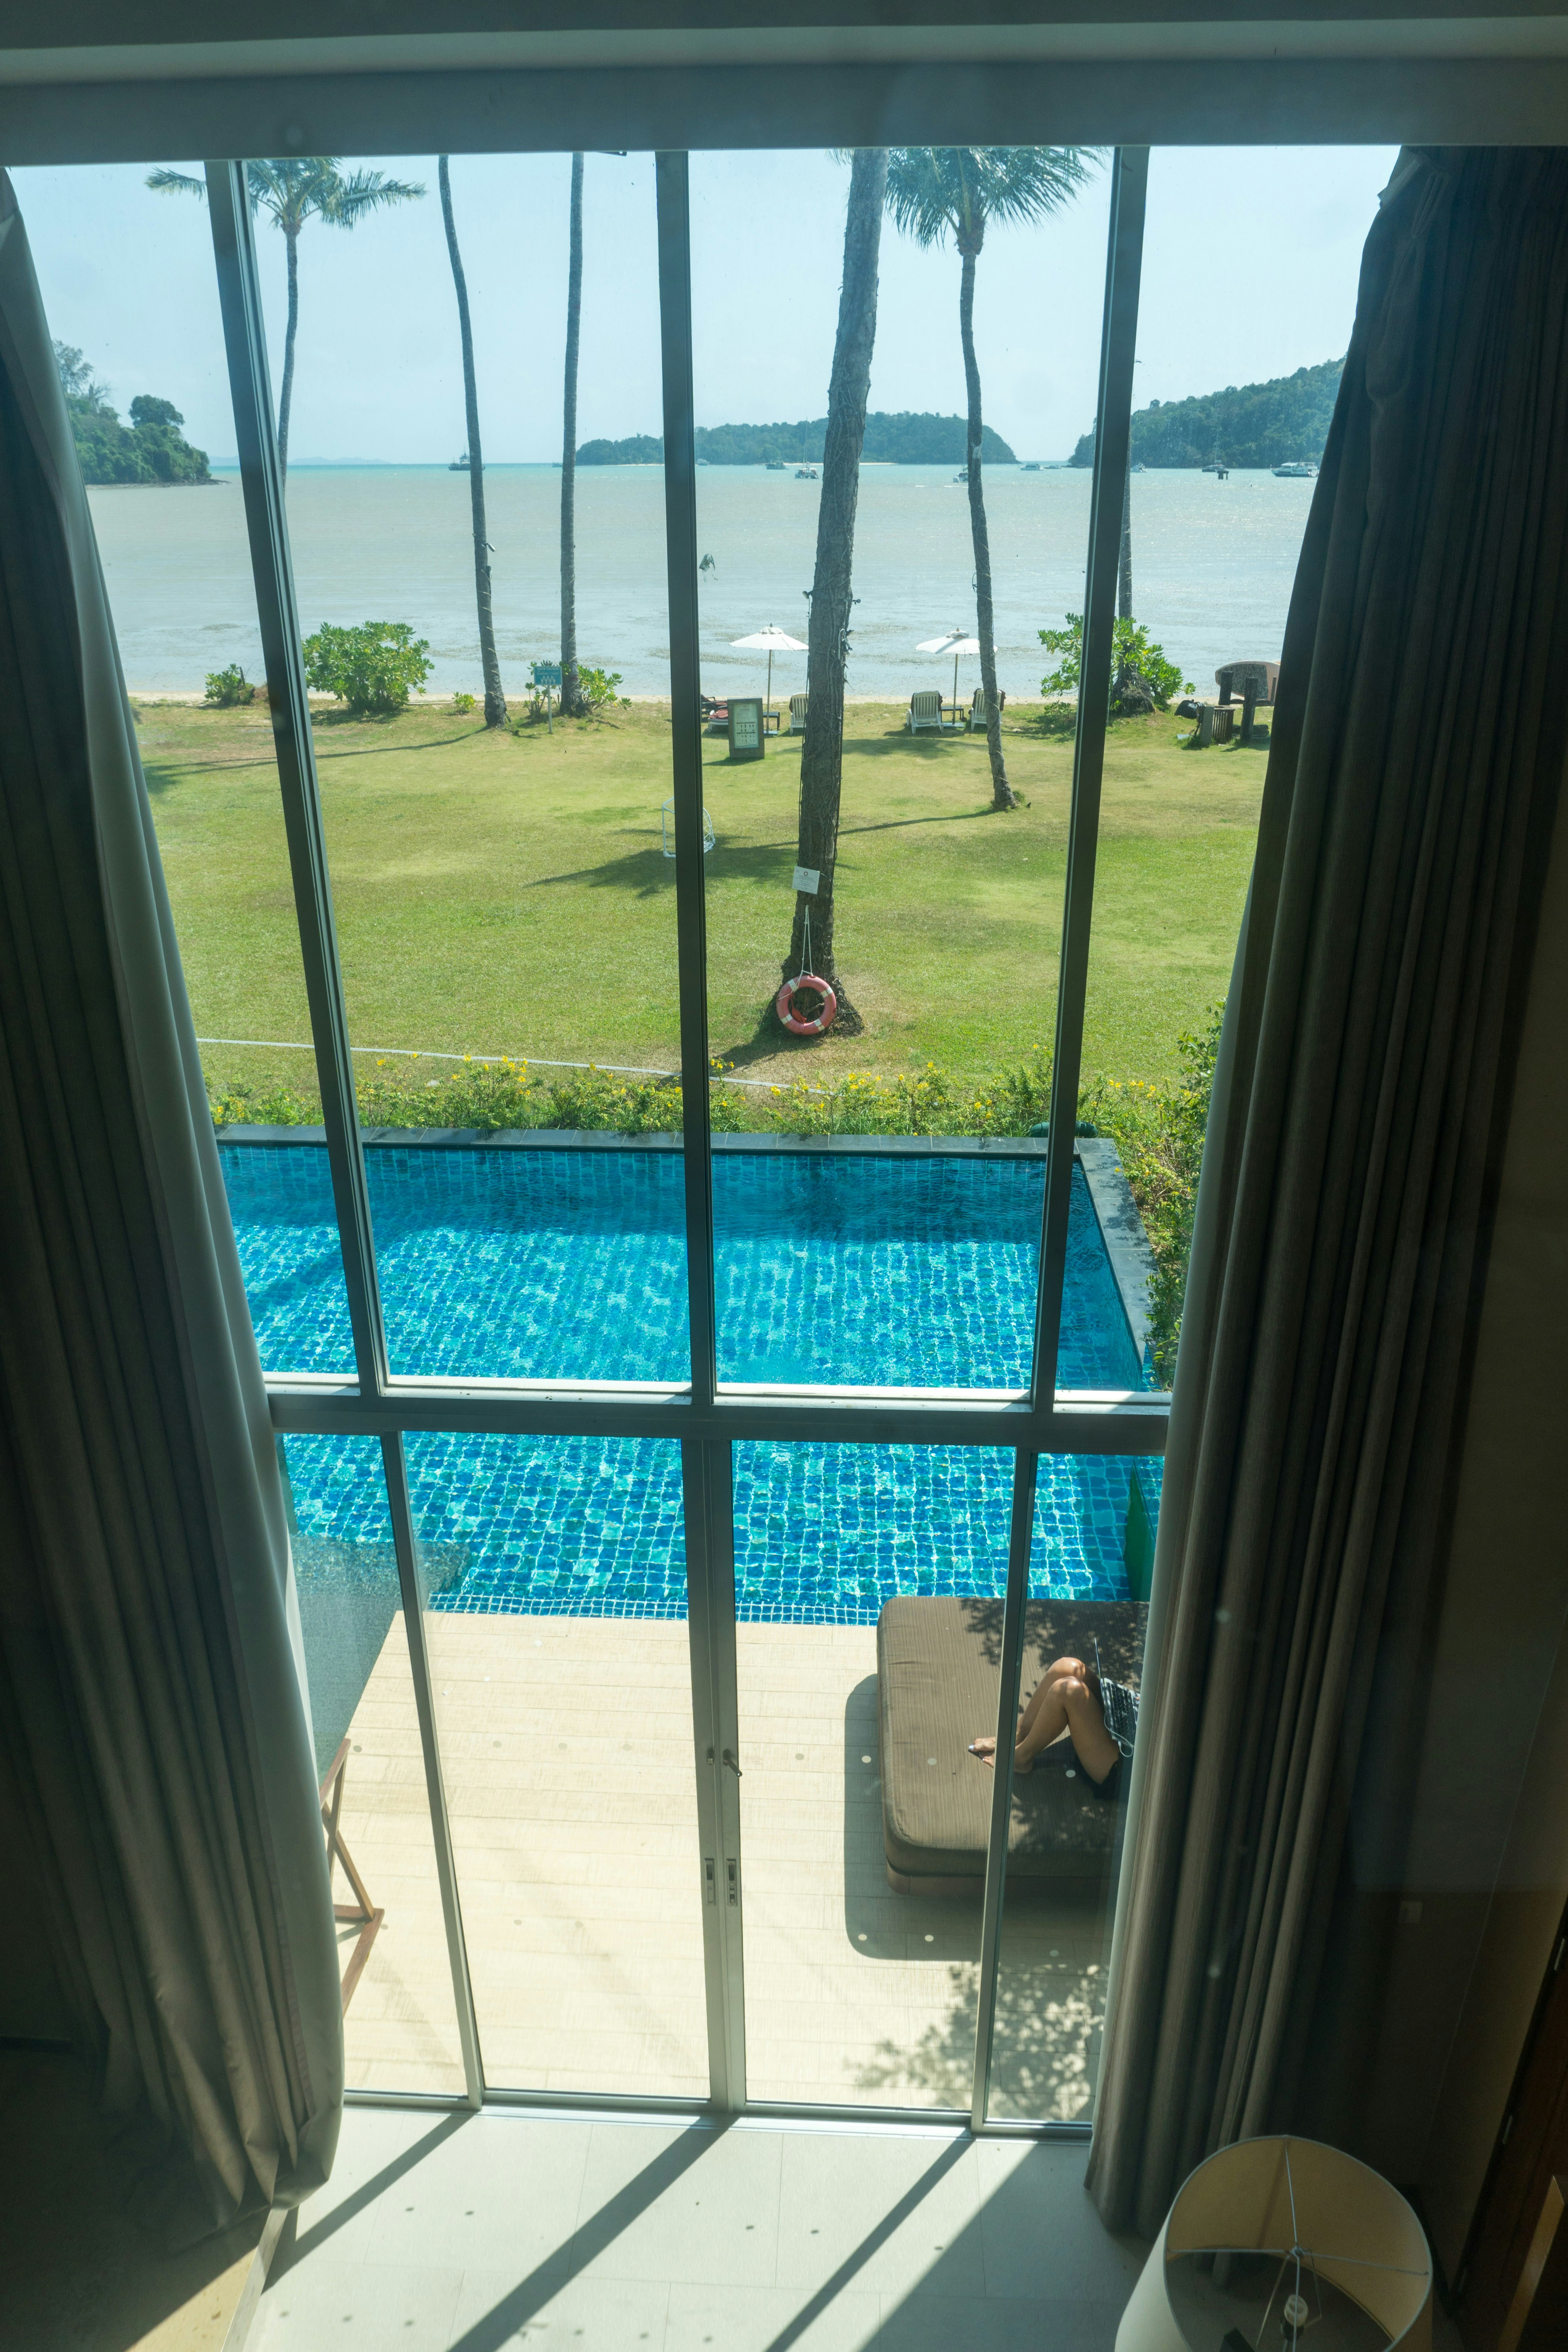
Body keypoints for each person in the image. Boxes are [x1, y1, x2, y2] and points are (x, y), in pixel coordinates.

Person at [969, 1655, 1122, 1796]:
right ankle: (1017, 1736)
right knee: (1067, 1667)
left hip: (1126, 1768)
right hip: (1135, 1731)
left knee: (1068, 1691)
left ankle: (1021, 1759)